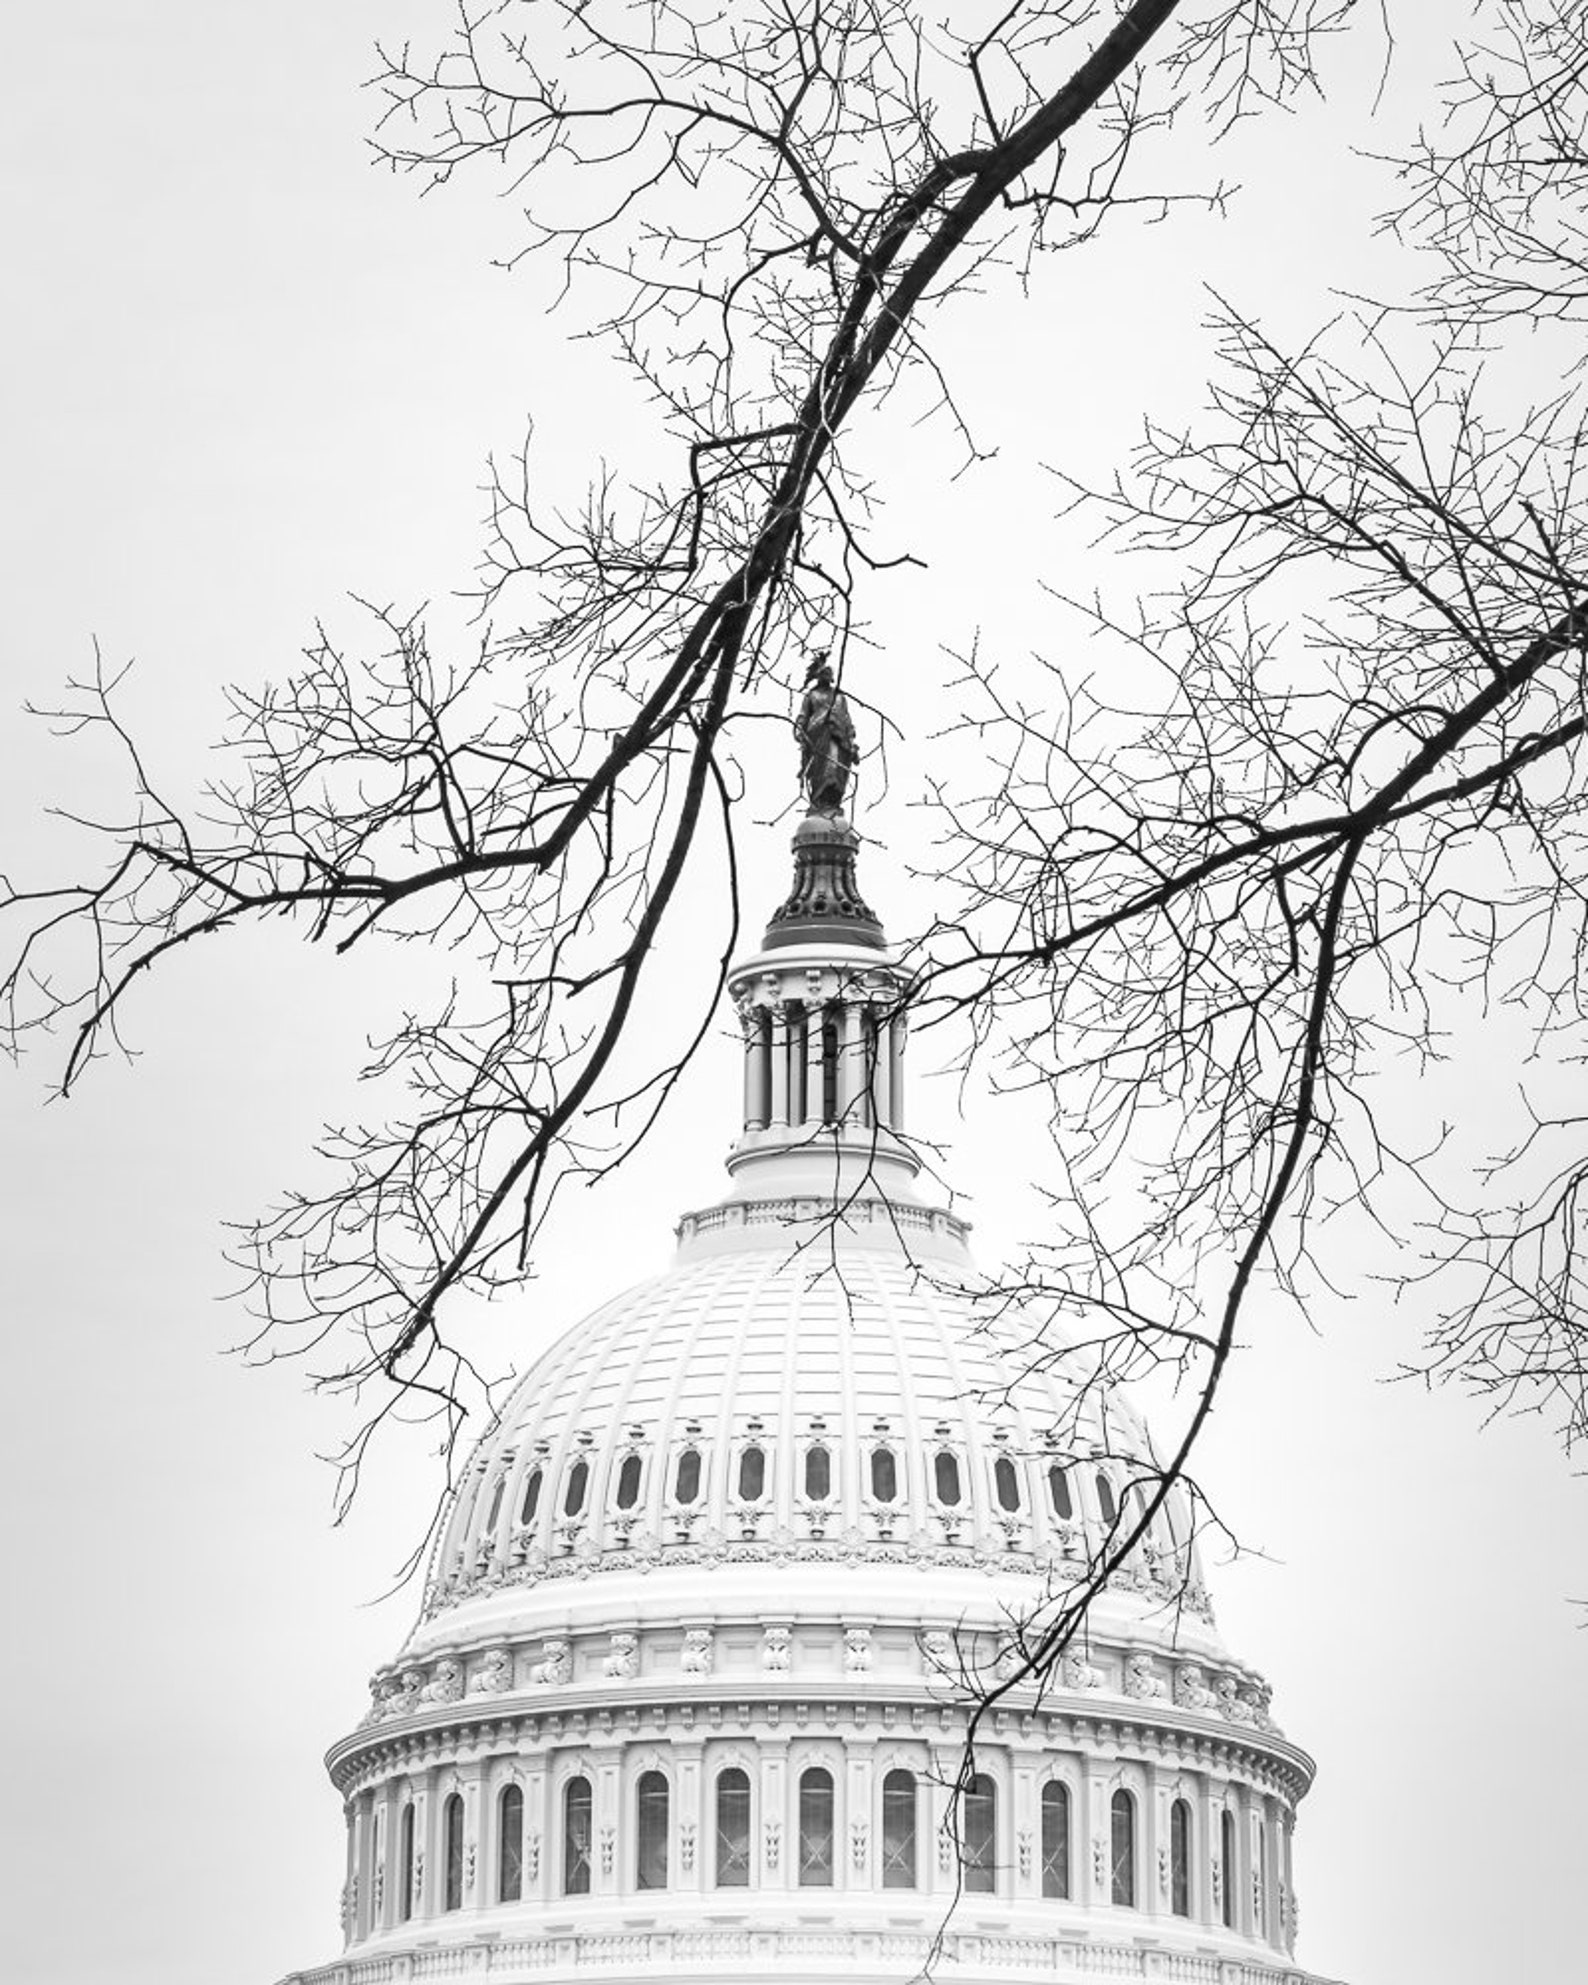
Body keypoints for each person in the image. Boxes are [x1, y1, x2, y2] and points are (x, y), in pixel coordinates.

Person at [794, 651, 857, 814]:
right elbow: (803, 716)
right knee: (821, 769)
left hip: (838, 738)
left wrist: (851, 740)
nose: (826, 676)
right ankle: (819, 801)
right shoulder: (811, 695)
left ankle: (833, 800)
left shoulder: (840, 697)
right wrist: (799, 730)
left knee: (836, 766)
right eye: (823, 673)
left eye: (829, 673)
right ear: (817, 676)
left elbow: (847, 719)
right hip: (817, 736)